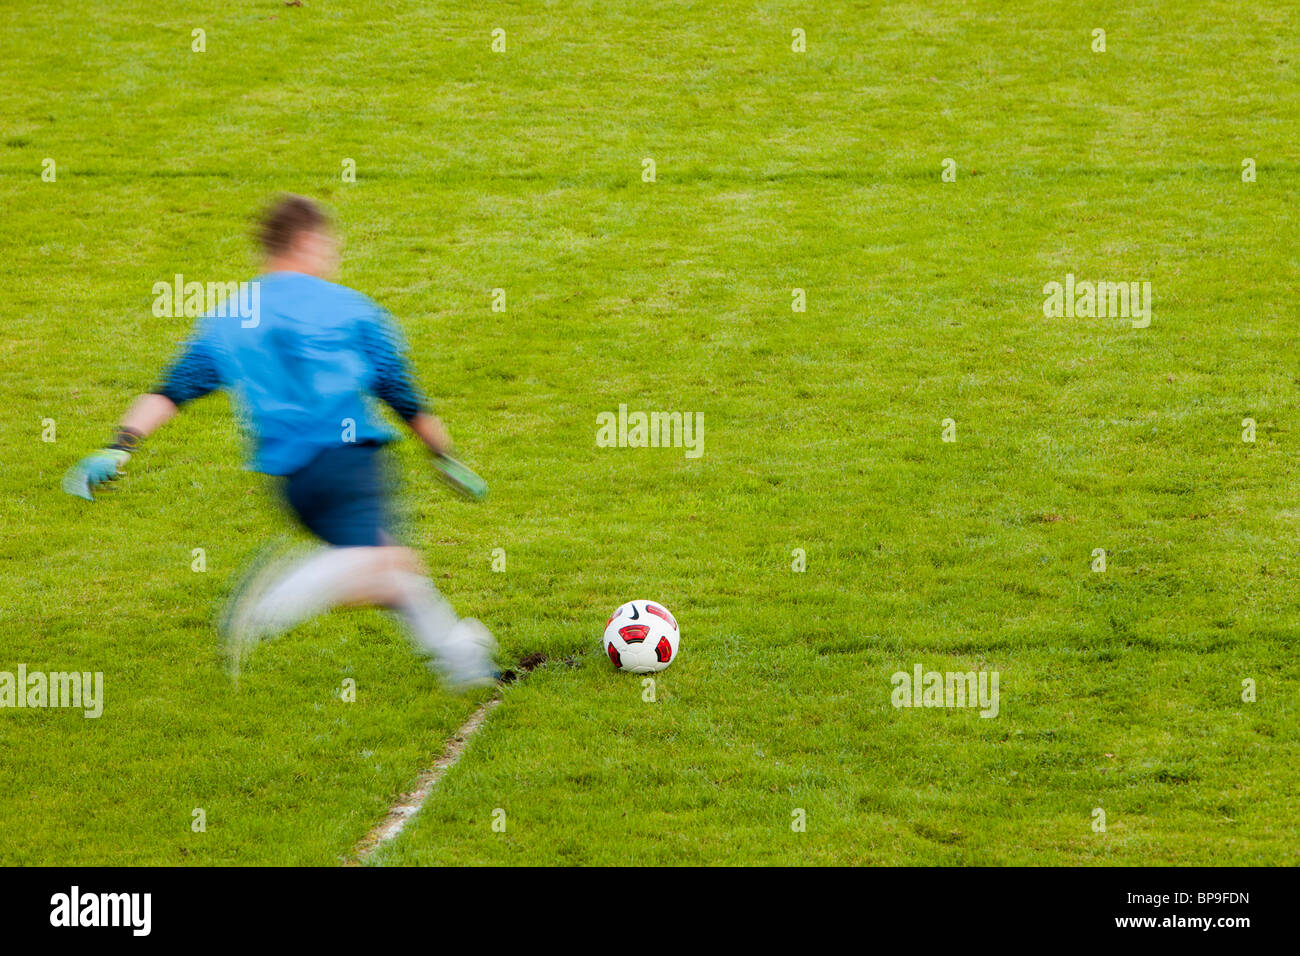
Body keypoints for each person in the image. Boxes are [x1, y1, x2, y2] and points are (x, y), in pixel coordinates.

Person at [63, 195, 498, 689]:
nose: (332, 256)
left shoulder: (231, 318)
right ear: (307, 242)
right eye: (329, 245)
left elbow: (172, 390)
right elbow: (401, 394)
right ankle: (278, 597)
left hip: (294, 483)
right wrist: (443, 454)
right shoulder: (351, 309)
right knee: (383, 564)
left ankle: (461, 661)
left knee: (391, 569)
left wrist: (120, 445)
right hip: (347, 463)